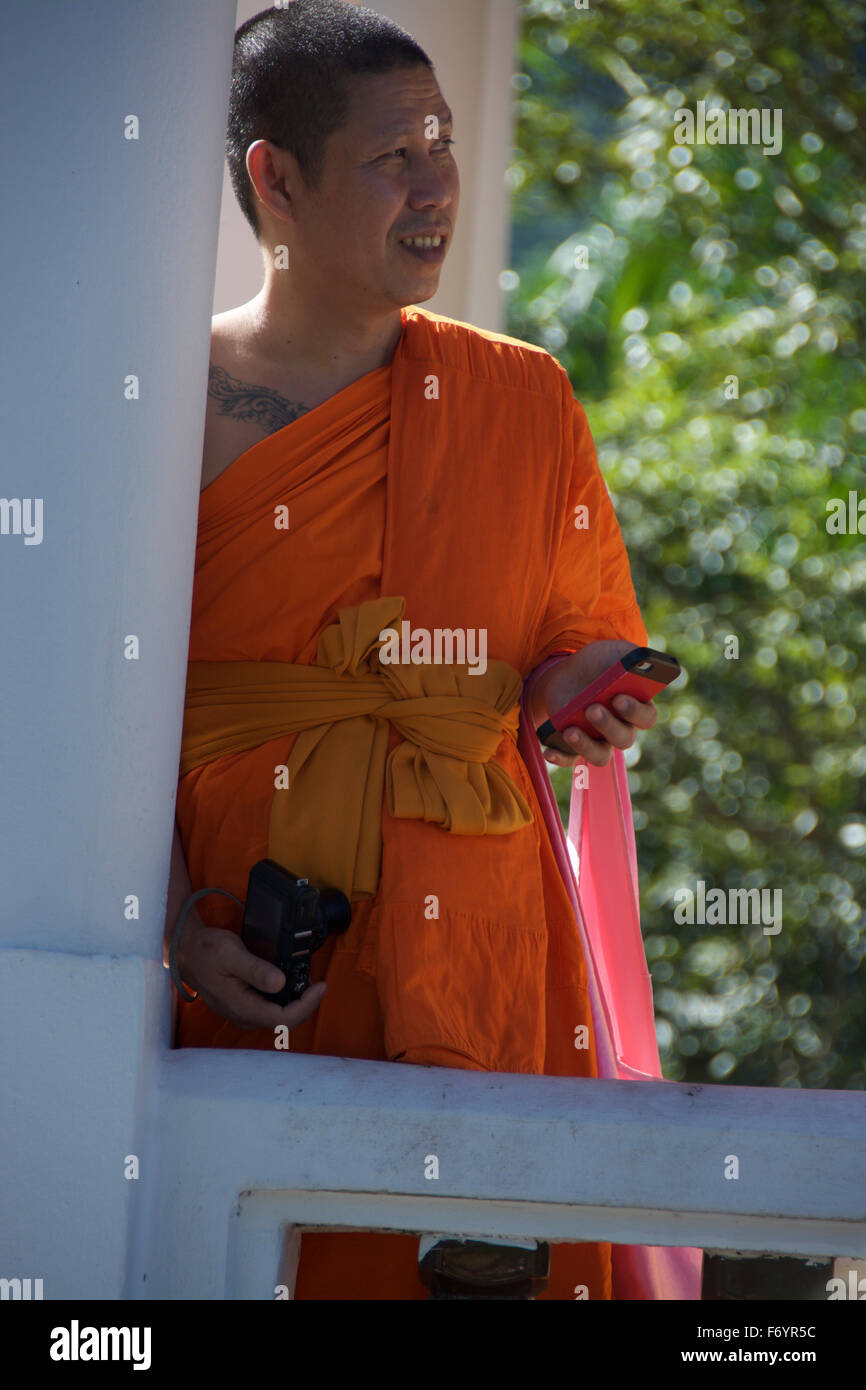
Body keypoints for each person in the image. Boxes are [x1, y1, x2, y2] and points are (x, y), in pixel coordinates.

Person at [163, 0, 697, 1300]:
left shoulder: (519, 396)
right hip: (255, 947)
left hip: (485, 942)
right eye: (392, 154)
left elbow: (564, 644)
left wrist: (581, 694)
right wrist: (166, 925)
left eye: (444, 144)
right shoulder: (161, 402)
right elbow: (69, 712)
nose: (436, 184)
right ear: (273, 179)